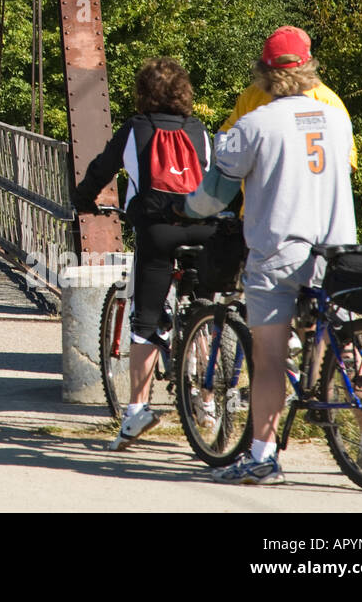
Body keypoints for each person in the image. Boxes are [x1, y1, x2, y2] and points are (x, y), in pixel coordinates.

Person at [187, 26, 357, 484]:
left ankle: (263, 456)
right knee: (338, 328)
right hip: (337, 249)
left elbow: (214, 196)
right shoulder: (337, 119)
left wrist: (186, 208)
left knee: (268, 359)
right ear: (308, 68)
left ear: (264, 71)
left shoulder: (255, 124)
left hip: (278, 251)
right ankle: (358, 427)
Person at [72, 57, 216, 451]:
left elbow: (102, 169)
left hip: (157, 230)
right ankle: (209, 400)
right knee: (204, 304)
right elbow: (214, 176)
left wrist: (83, 199)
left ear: (144, 92)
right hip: (202, 229)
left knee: (146, 321)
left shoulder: (136, 129)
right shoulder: (199, 129)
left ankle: (137, 410)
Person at [219, 25, 357, 171]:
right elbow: (347, 161)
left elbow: (228, 141)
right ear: (308, 59)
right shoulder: (330, 103)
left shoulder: (325, 98)